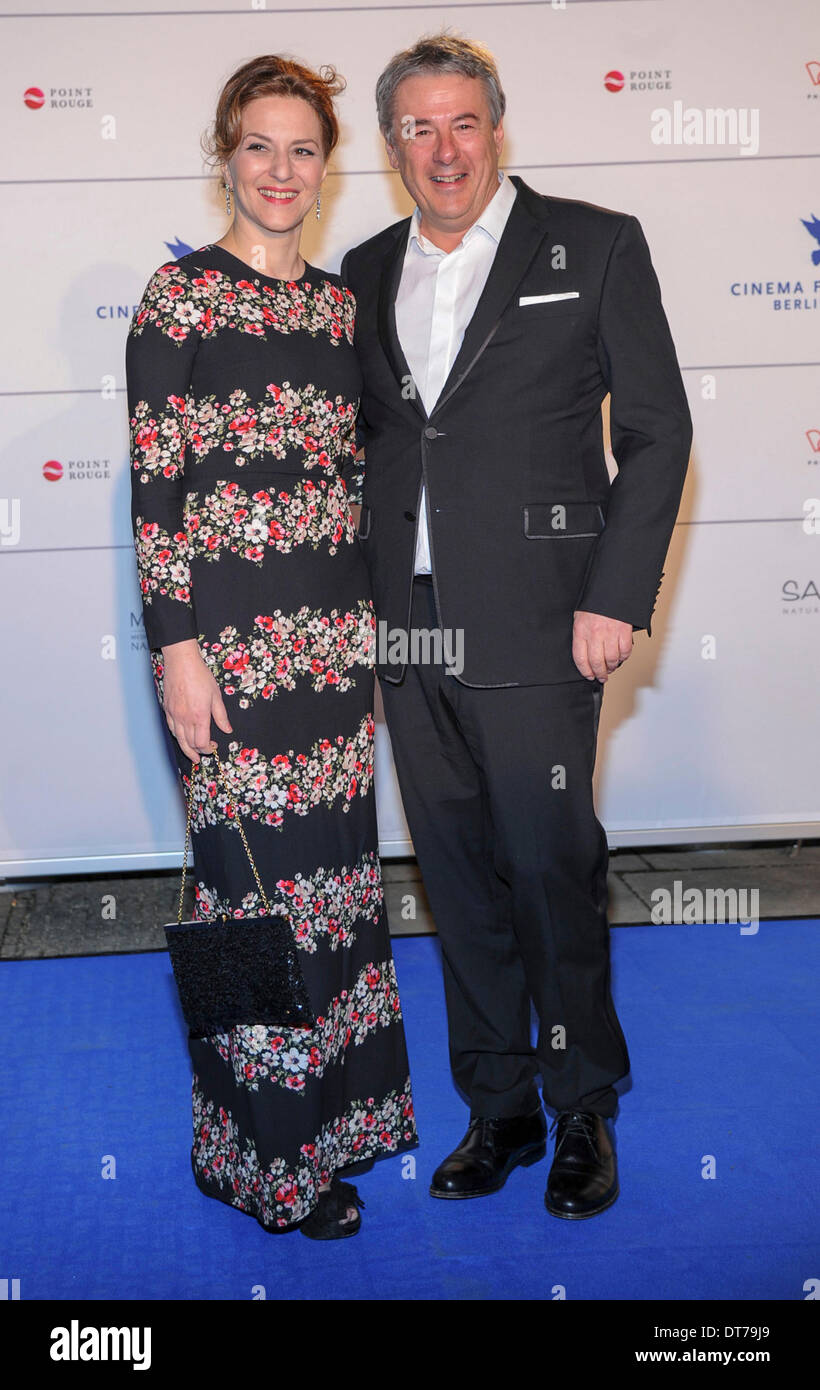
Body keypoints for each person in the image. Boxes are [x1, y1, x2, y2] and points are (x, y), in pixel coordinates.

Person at [341, 34, 692, 1219]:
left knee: (548, 866)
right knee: (454, 873)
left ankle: (584, 1102)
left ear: (498, 126)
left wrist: (613, 592)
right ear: (392, 145)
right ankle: (496, 1106)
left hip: (543, 619)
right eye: (417, 129)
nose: (443, 150)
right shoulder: (363, 266)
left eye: (462, 123)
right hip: (409, 626)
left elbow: (656, 433)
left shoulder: (591, 244)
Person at [126, 54, 417, 1240]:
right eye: (258, 146)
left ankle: (325, 1130)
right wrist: (175, 650)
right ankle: (252, 1151)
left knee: (337, 893)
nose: (280, 170)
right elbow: (155, 497)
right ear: (224, 156)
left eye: (303, 148)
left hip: (334, 661)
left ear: (327, 163)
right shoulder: (177, 300)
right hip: (228, 662)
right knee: (243, 904)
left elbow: (371, 485)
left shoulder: (344, 310)